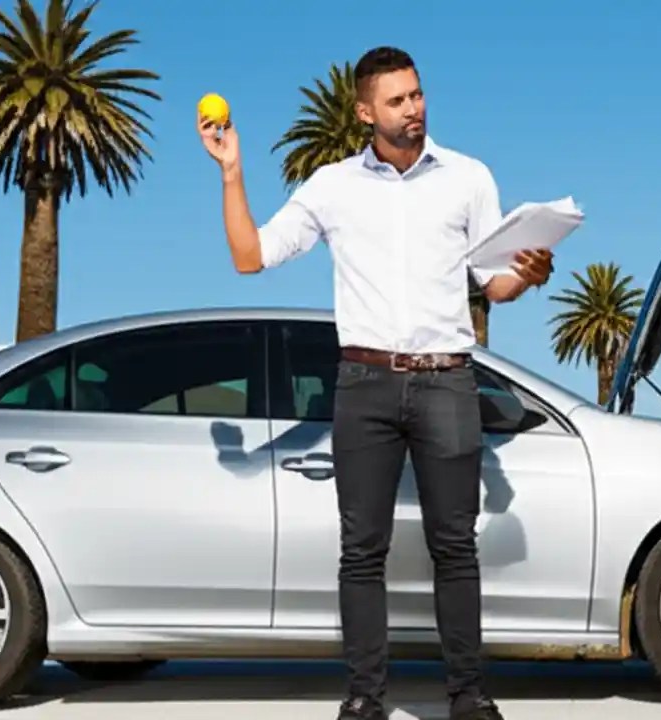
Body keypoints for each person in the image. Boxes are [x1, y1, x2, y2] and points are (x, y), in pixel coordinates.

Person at [196, 46, 553, 720]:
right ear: (365, 112)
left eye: (417, 95)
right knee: (362, 550)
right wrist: (232, 170)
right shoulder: (332, 187)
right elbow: (250, 257)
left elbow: (494, 285)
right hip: (364, 384)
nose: (413, 109)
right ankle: (364, 698)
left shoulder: (468, 179)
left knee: (456, 547)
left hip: (448, 381)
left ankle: (468, 697)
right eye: (397, 101)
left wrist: (529, 275)